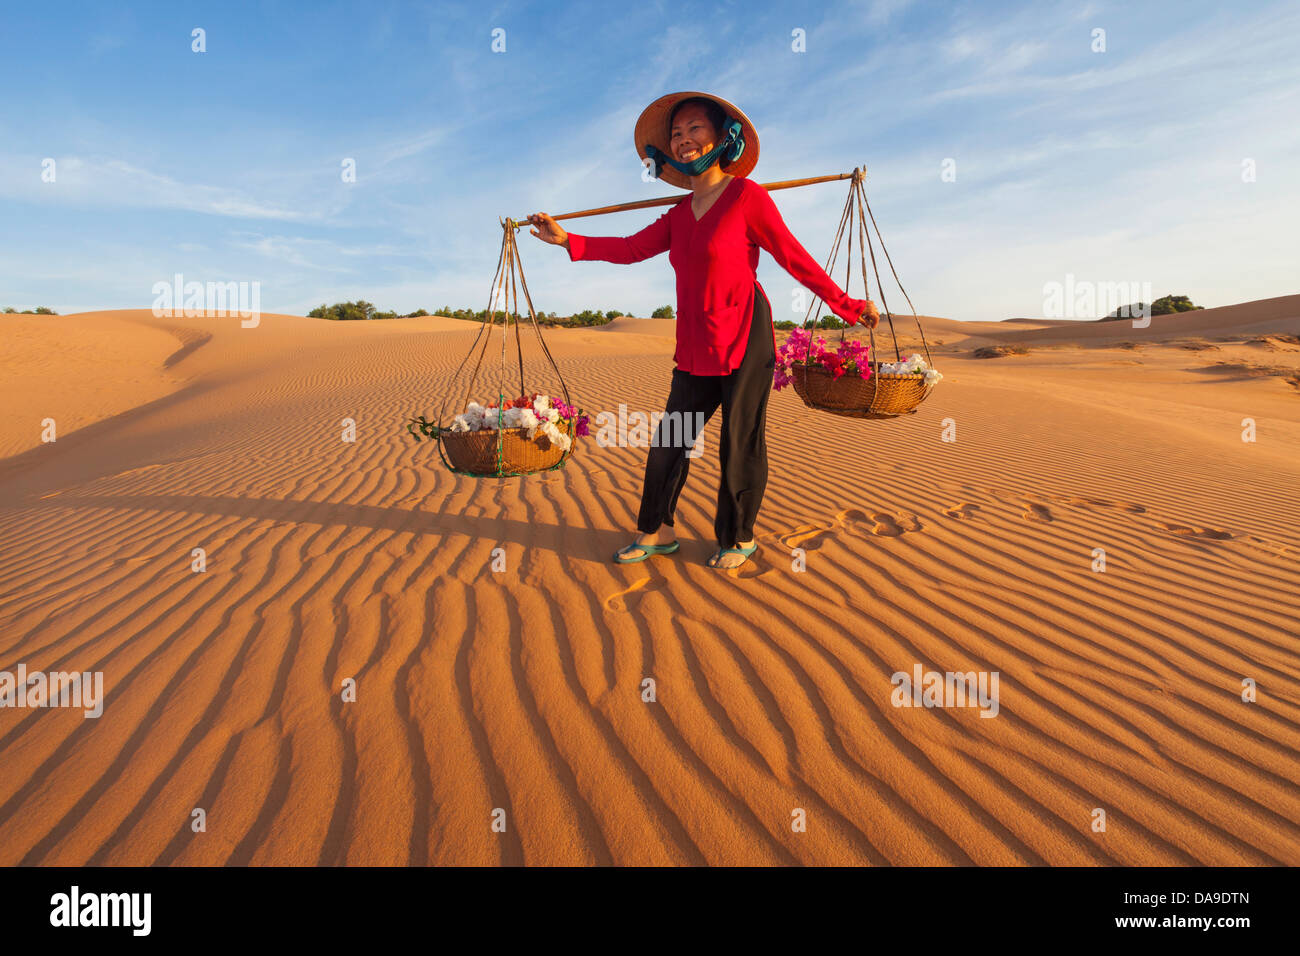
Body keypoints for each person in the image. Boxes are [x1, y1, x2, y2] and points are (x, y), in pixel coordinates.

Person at [529, 91, 879, 570]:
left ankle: (738, 538)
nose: (684, 139)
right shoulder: (676, 216)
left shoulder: (747, 198)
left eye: (695, 128)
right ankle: (656, 532)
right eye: (676, 133)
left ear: (721, 138)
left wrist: (848, 305)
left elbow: (793, 258)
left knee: (739, 441)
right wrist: (568, 239)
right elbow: (630, 249)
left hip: (744, 337)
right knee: (670, 441)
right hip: (694, 344)